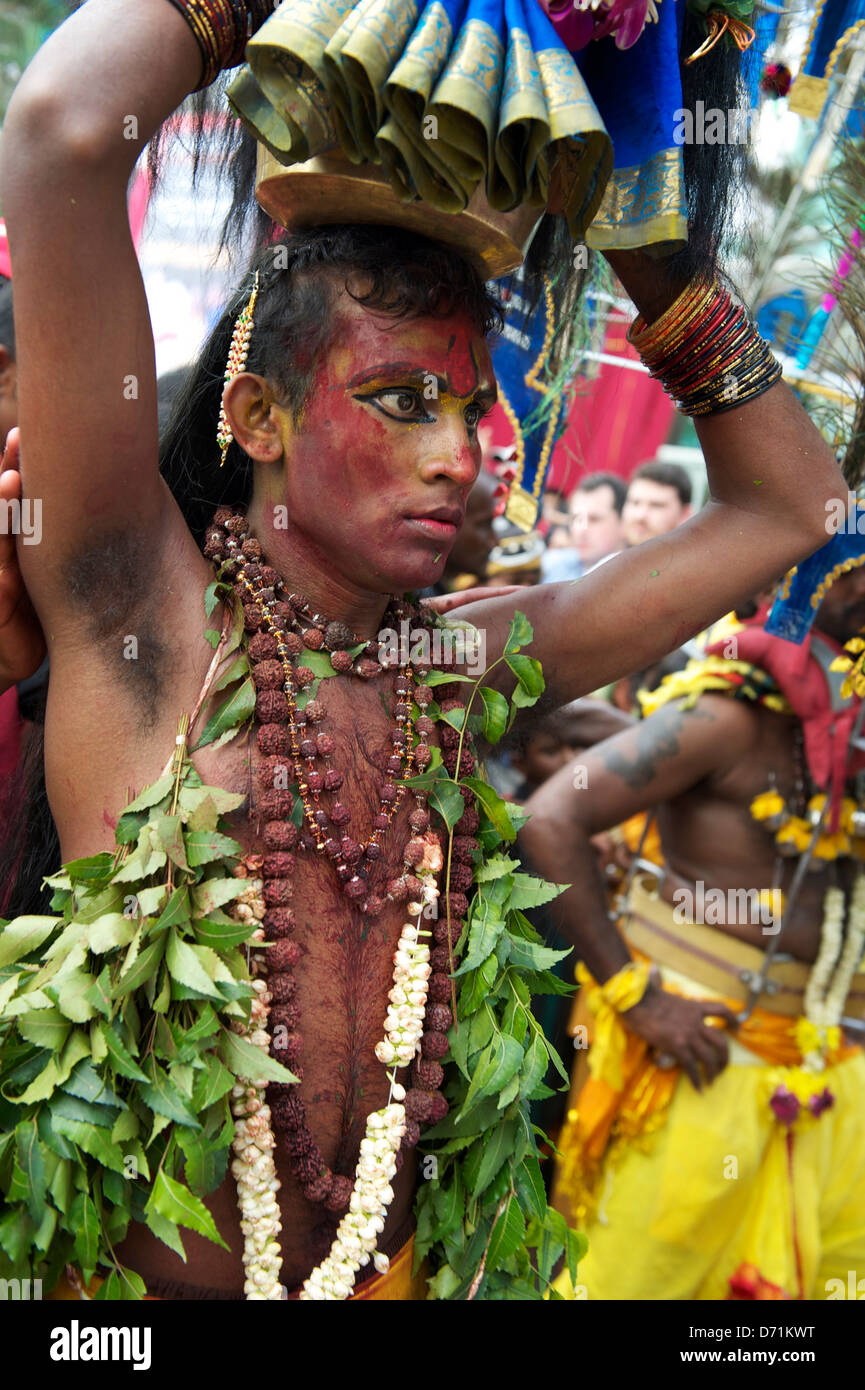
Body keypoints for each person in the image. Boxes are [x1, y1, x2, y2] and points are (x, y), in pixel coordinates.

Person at [0, 0, 843, 1301]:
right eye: (402, 401)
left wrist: (645, 234)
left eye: (470, 410)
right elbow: (62, 132)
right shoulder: (141, 619)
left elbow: (792, 508)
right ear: (259, 415)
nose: (460, 457)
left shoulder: (459, 665)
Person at [518, 572, 865, 1301]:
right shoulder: (726, 714)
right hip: (701, 1056)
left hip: (835, 1073)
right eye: (852, 561)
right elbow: (550, 819)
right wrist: (636, 996)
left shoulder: (847, 732)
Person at [622, 460, 692, 547]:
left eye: (656, 506)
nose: (640, 515)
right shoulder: (609, 556)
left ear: (685, 514)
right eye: (635, 503)